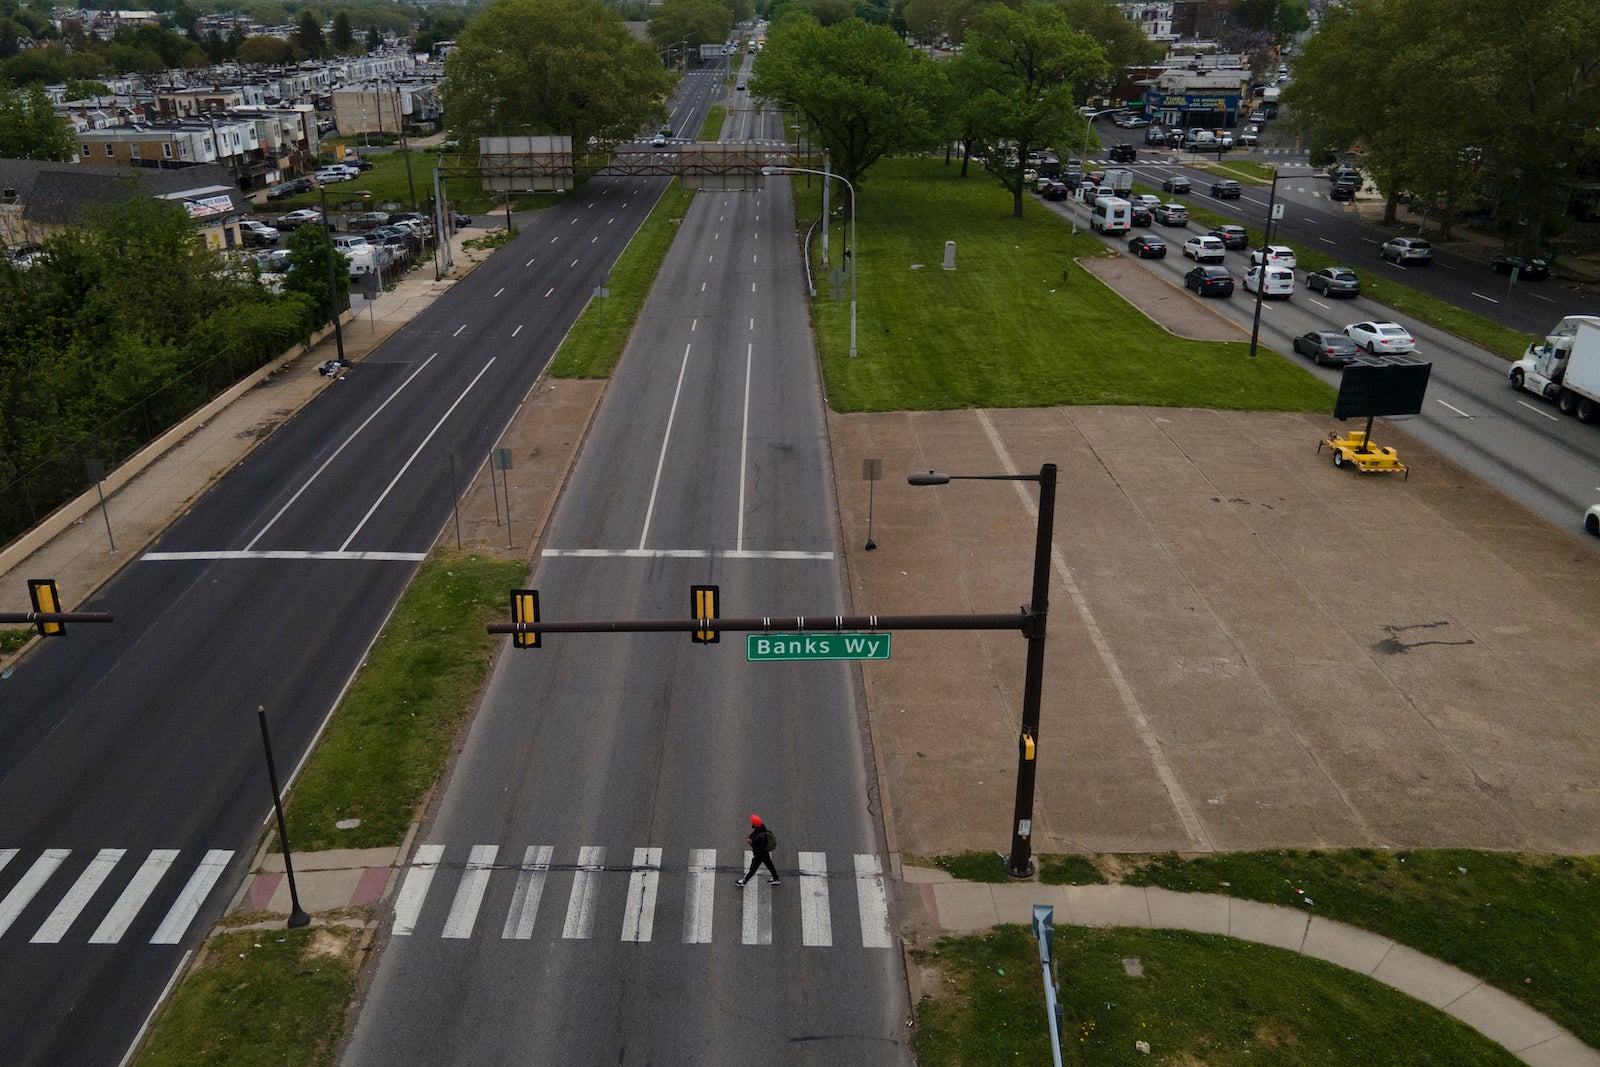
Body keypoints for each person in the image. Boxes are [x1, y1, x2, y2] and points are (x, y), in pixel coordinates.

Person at [736, 814, 779, 886]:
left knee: (753, 869)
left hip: (760, 855)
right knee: (770, 866)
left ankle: (744, 882)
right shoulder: (761, 827)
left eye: (752, 822)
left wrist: (750, 842)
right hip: (765, 853)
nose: (751, 823)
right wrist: (750, 836)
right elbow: (754, 833)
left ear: (755, 824)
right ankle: (776, 879)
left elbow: (757, 847)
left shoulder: (760, 837)